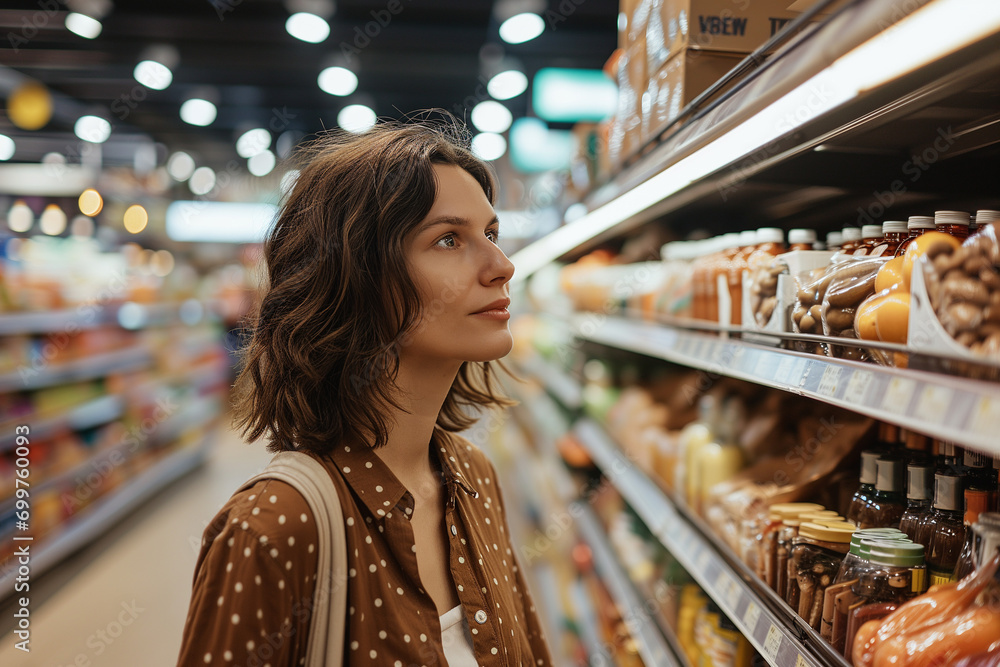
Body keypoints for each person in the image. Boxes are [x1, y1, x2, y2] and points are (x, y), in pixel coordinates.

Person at [176, 119, 553, 667]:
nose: (502, 266)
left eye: (491, 235)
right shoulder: (273, 528)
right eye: (449, 239)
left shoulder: (474, 477)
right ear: (356, 277)